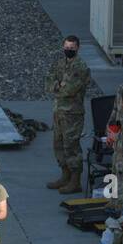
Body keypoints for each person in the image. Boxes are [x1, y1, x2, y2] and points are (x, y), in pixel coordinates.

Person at [44, 34, 90, 193]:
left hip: (72, 114)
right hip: (59, 112)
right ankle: (65, 175)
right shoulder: (60, 64)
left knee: (71, 146)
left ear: (77, 48)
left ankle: (75, 181)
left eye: (72, 48)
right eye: (66, 47)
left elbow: (69, 90)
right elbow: (49, 82)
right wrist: (58, 85)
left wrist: (59, 86)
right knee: (58, 145)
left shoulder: (80, 67)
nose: (68, 50)